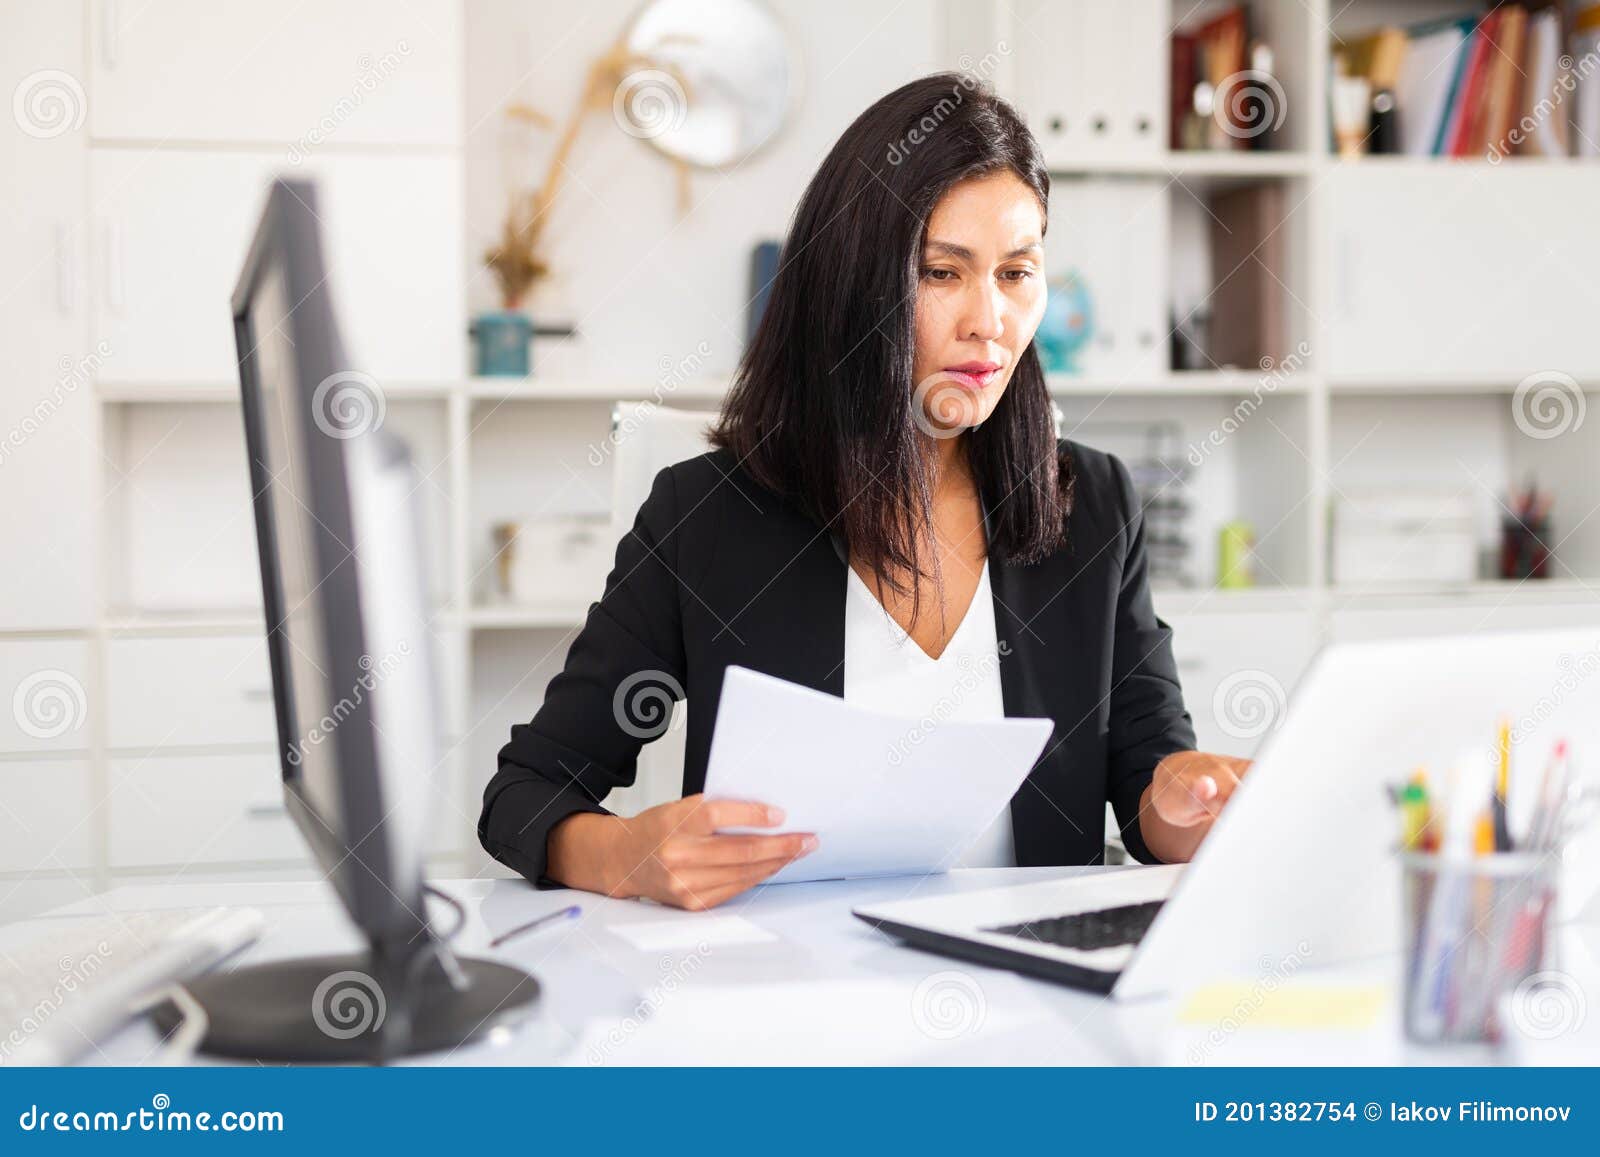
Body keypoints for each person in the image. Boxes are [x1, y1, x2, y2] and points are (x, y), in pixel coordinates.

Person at [479, 72, 1250, 910]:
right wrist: (625, 851)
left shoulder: (1090, 501)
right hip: (785, 994)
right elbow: (526, 793)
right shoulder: (706, 515)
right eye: (942, 273)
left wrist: (1185, 802)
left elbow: (1150, 796)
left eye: (1017, 272)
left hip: (1029, 994)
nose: (989, 319)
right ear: (854, 285)